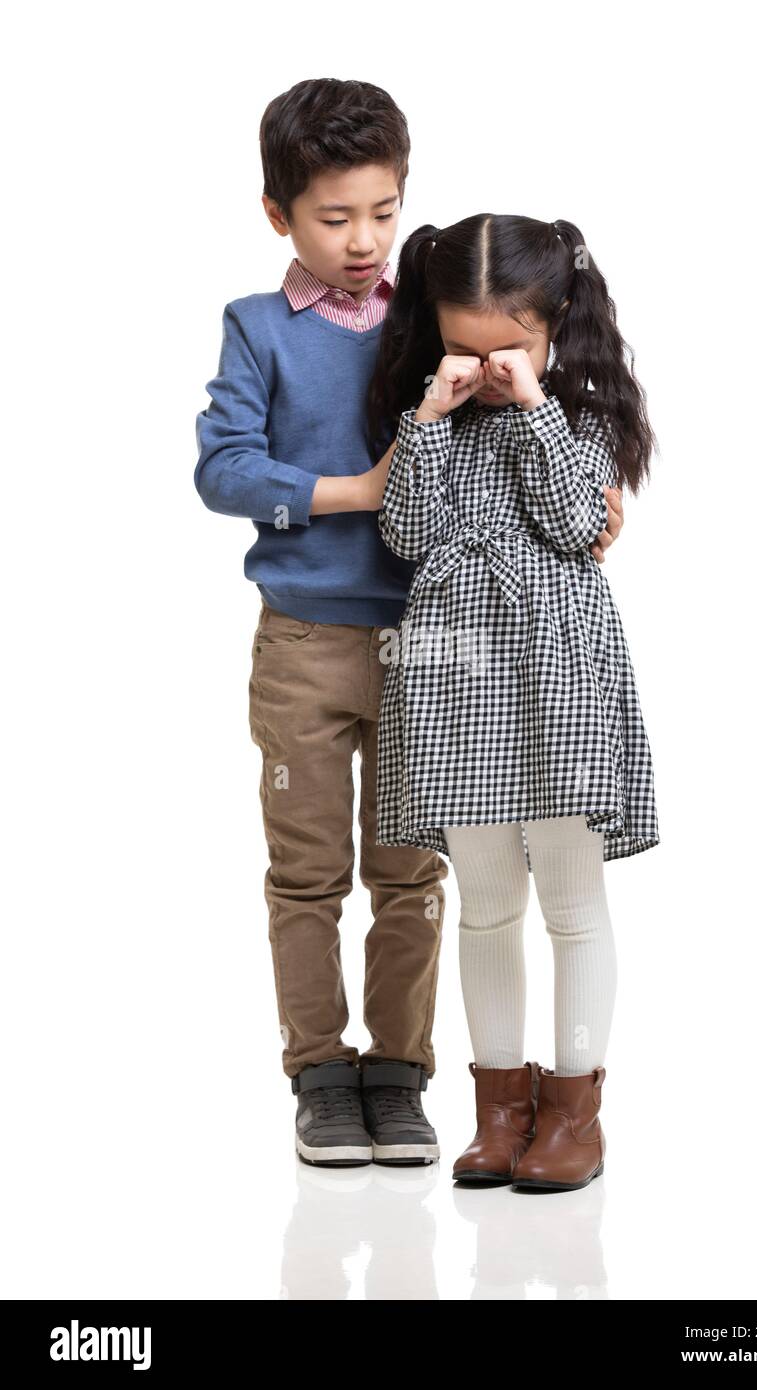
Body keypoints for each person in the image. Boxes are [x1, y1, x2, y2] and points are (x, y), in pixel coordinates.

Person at [194, 78, 466, 1170]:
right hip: (302, 642)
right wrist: (360, 488)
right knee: (305, 872)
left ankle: (397, 1076)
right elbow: (220, 468)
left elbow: (524, 396)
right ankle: (318, 1074)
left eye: (383, 211)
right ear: (279, 214)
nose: (363, 240)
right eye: (333, 216)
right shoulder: (256, 327)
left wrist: (591, 490)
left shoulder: (429, 315)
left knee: (410, 870)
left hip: (423, 639)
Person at [368, 213, 659, 1191]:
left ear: (555, 323)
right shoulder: (434, 422)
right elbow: (405, 533)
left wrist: (532, 403)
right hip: (454, 677)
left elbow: (575, 517)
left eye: (510, 348)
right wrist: (426, 418)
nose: (487, 367)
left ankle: (574, 1110)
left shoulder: (580, 417)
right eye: (464, 347)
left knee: (571, 902)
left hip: (557, 667)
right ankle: (499, 1110)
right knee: (486, 901)